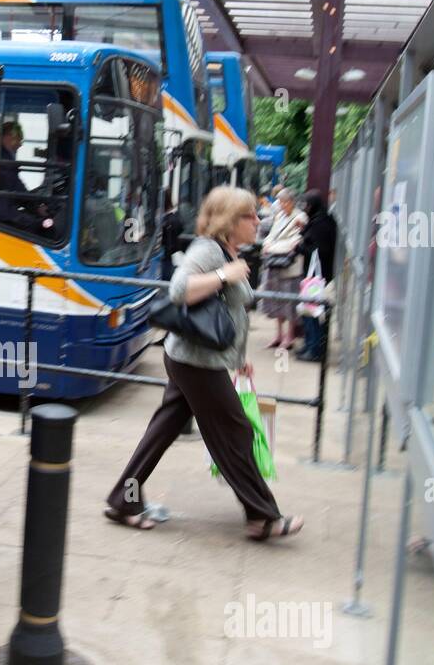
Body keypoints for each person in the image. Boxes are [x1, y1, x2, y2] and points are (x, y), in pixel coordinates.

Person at [104, 186, 303, 540]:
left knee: (162, 431)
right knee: (235, 431)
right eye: (249, 216)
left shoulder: (229, 252)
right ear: (229, 220)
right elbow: (180, 289)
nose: (258, 221)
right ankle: (262, 516)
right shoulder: (209, 250)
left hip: (193, 359)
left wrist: (239, 361)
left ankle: (124, 498)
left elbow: (230, 314)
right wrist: (226, 275)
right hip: (196, 362)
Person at [259, 188, 306, 350]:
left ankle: (290, 335)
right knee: (276, 300)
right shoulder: (279, 216)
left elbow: (295, 241)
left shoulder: (300, 217)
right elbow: (271, 235)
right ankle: (278, 334)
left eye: (285, 201)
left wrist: (272, 247)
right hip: (274, 263)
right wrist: (267, 244)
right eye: (281, 202)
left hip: (289, 265)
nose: (282, 205)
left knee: (289, 301)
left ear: (292, 201)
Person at [295, 190, 337, 362]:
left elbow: (318, 250)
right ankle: (311, 344)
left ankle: (314, 349)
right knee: (309, 311)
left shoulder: (322, 224)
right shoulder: (321, 220)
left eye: (307, 205)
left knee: (312, 312)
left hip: (317, 277)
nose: (305, 208)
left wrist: (299, 248)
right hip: (315, 276)